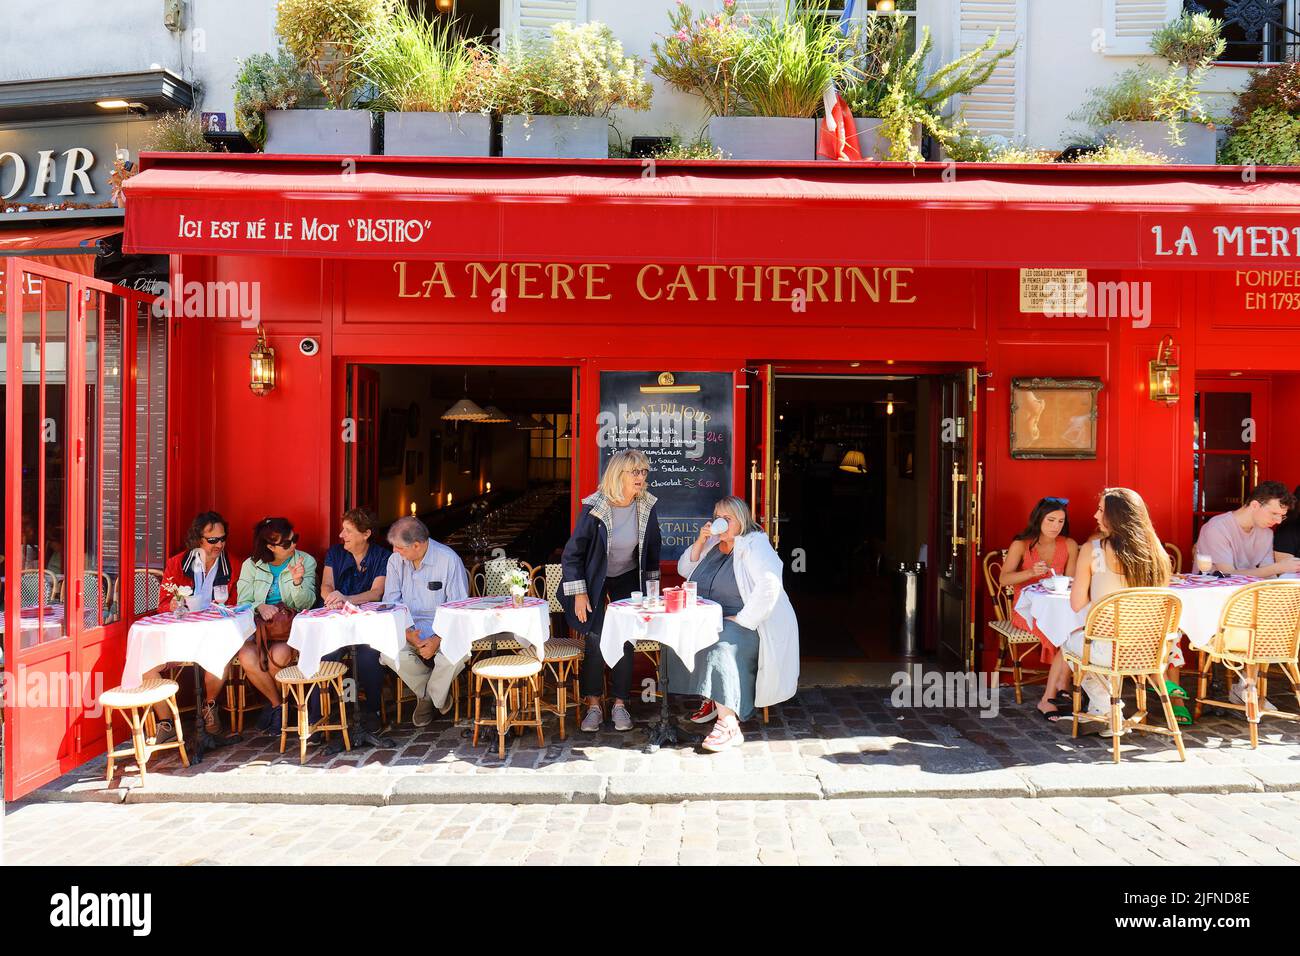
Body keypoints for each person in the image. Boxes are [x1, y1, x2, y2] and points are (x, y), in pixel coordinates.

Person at [674, 496, 799, 752]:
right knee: (678, 634)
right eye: (718, 517)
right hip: (710, 615)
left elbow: (769, 586)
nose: (721, 523)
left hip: (748, 621)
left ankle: (728, 724)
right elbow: (684, 568)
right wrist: (700, 539)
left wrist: (743, 619)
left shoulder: (755, 546)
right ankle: (714, 694)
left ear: (741, 521)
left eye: (727, 519)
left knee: (718, 645)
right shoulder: (712, 542)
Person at [560, 449, 662, 733]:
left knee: (624, 639)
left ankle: (619, 704)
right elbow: (572, 555)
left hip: (627, 576)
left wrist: (652, 593)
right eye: (636, 472)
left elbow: (652, 552)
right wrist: (580, 593)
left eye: (644, 471)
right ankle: (593, 704)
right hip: (595, 579)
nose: (642, 477)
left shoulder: (647, 506)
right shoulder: (595, 507)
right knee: (594, 638)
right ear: (619, 476)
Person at [1065, 489, 1172, 730]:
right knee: (1089, 643)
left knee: (1070, 641)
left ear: (1116, 516)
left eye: (1101, 510)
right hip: (1150, 650)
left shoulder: (1093, 550)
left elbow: (1076, 603)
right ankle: (1102, 708)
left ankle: (1105, 704)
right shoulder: (1159, 554)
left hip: (1109, 649)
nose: (1095, 515)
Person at [143, 511, 242, 744]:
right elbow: (163, 604)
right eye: (213, 540)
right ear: (198, 539)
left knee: (220, 658)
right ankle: (166, 722)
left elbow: (238, 605)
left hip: (216, 635)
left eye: (222, 538)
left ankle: (209, 706)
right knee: (147, 664)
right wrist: (173, 604)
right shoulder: (177, 564)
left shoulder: (234, 565)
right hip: (182, 637)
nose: (219, 544)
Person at [998, 497, 1079, 721]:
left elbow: (1071, 580)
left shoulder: (1069, 544)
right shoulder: (1021, 545)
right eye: (1050, 520)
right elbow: (1004, 579)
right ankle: (1057, 690)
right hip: (1027, 610)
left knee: (1074, 631)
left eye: (1060, 521)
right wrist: (1030, 573)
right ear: (1039, 520)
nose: (1055, 526)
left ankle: (1056, 692)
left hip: (1059, 609)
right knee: (1063, 635)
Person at [385, 516, 469, 727]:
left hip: (444, 629)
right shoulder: (395, 561)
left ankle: (427, 699)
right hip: (409, 626)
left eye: (399, 547)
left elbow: (458, 609)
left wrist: (436, 640)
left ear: (417, 545)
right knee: (387, 652)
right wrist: (408, 633)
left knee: (456, 655)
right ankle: (436, 695)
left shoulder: (448, 559)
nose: (395, 552)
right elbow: (391, 604)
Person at [235, 517, 318, 731]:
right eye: (287, 543)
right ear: (270, 546)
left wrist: (298, 581)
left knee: (278, 657)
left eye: (295, 539)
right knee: (246, 656)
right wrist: (259, 606)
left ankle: (277, 708)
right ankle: (278, 705)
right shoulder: (251, 565)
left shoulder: (304, 561)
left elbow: (306, 603)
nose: (294, 546)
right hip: (259, 628)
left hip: (289, 628)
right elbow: (242, 602)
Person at [319, 508, 391, 733]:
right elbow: (326, 585)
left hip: (368, 624)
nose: (342, 535)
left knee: (369, 657)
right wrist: (331, 598)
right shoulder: (335, 553)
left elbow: (376, 592)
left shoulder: (382, 556)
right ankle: (318, 717)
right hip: (338, 622)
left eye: (348, 531)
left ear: (366, 533)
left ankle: (371, 712)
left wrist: (347, 599)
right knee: (324, 657)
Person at [1194, 480, 1300, 578]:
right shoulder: (1217, 528)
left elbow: (1269, 574)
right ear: (1254, 505)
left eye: (1282, 516)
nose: (1278, 521)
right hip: (1213, 592)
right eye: (1274, 513)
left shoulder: (1266, 533)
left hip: (1249, 594)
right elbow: (1227, 575)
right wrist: (1278, 567)